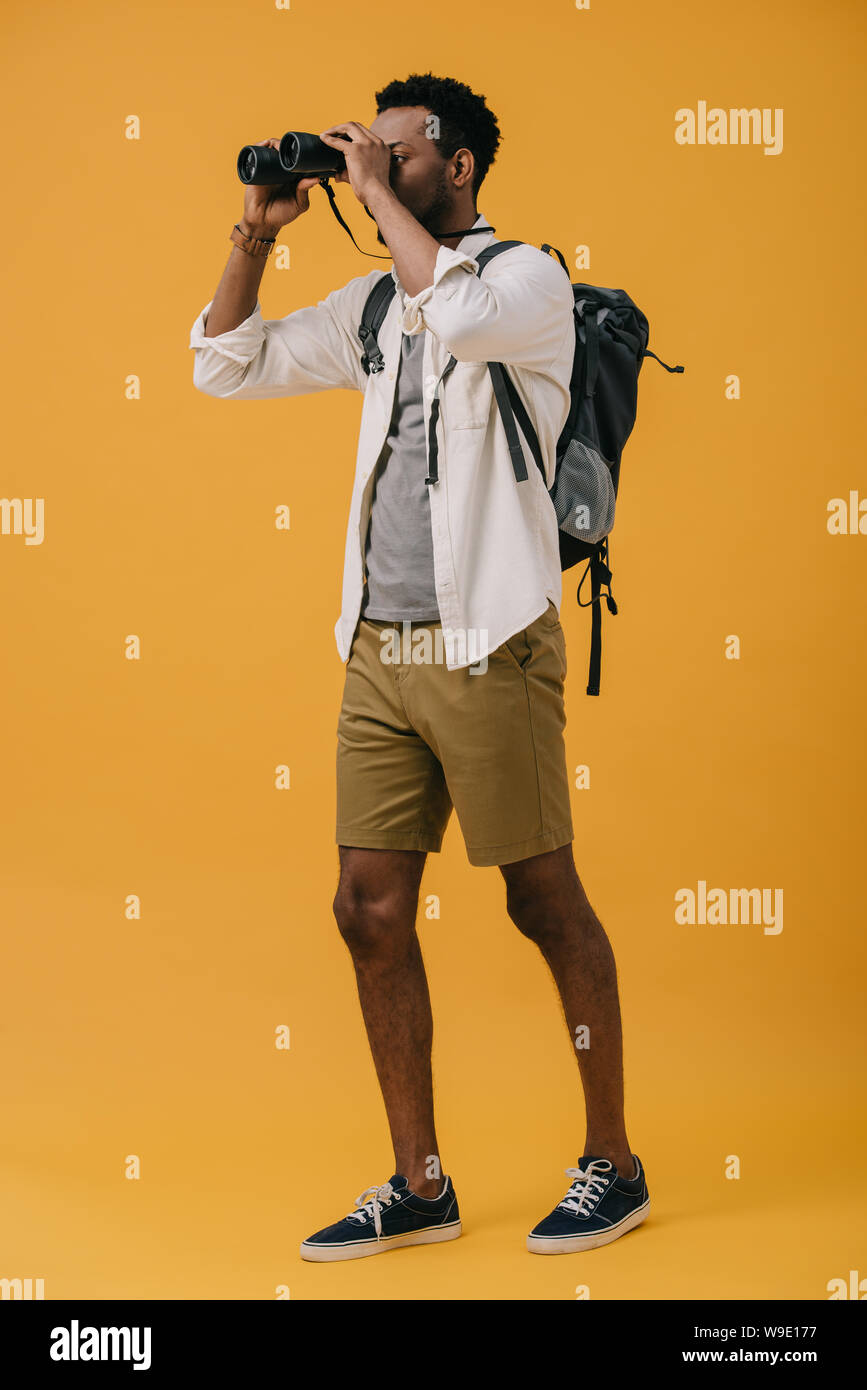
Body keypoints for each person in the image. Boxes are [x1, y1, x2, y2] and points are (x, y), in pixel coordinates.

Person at [189, 72, 649, 1261]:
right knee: (366, 909)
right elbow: (225, 363)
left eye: (396, 152)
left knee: (542, 901)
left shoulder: (527, 282)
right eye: (364, 152)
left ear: (460, 167)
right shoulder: (375, 306)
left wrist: (374, 198)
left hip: (488, 644)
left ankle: (615, 1162)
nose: (370, 169)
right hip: (378, 654)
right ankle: (421, 1182)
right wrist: (256, 228)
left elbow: (459, 309)